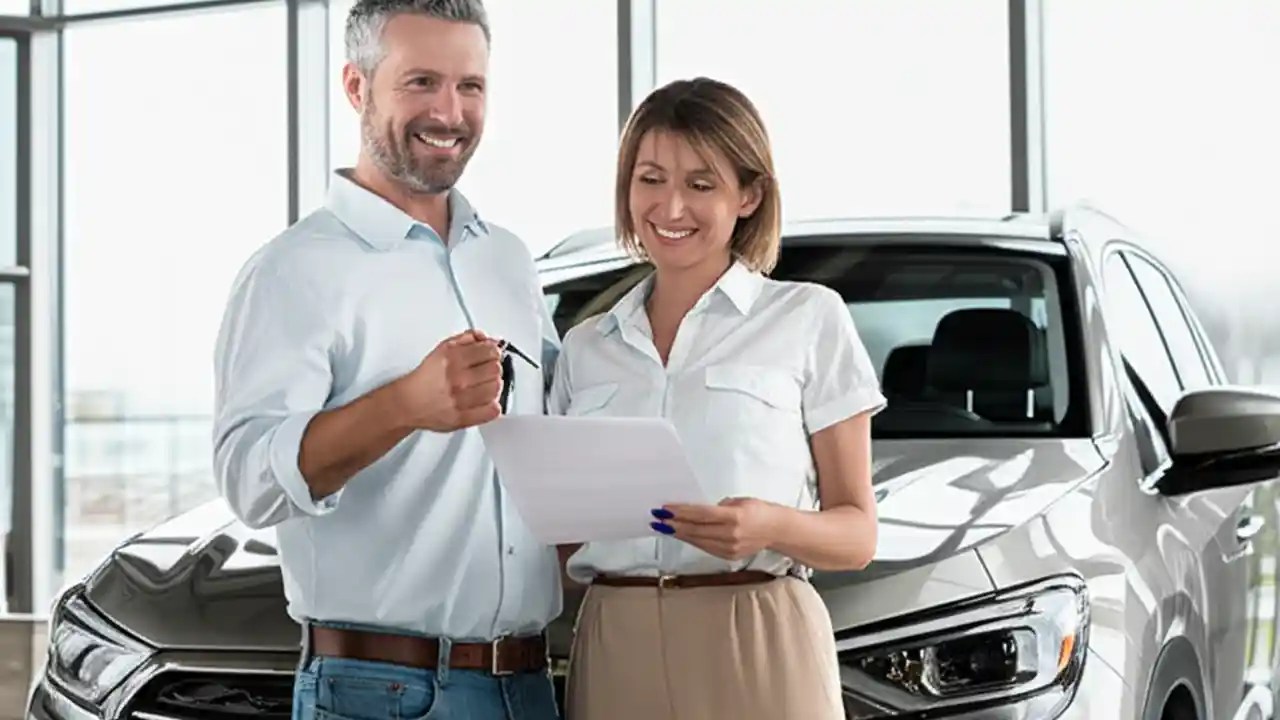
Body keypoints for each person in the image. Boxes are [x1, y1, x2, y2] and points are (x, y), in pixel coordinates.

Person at [212, 1, 562, 718]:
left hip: (527, 681)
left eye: (470, 86)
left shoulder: (508, 259)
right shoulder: (294, 271)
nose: (450, 111)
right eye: (421, 82)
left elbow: (549, 447)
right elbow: (251, 481)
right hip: (381, 692)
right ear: (356, 87)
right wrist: (405, 406)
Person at [549, 77, 885, 719]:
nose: (671, 207)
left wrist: (768, 525)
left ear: (750, 194)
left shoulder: (808, 318)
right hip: (616, 640)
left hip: (757, 631)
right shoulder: (588, 347)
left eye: (701, 184)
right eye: (650, 179)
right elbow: (565, 545)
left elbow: (857, 533)